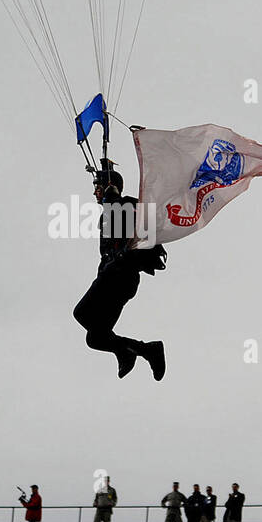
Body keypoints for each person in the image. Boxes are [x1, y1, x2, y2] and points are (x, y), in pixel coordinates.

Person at [72, 160, 167, 380]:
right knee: (95, 338)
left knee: (81, 313)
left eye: (98, 187)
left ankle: (127, 351)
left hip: (121, 273)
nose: (95, 192)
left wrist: (110, 189)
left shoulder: (125, 204)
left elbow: (123, 218)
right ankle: (148, 350)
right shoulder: (108, 212)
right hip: (115, 276)